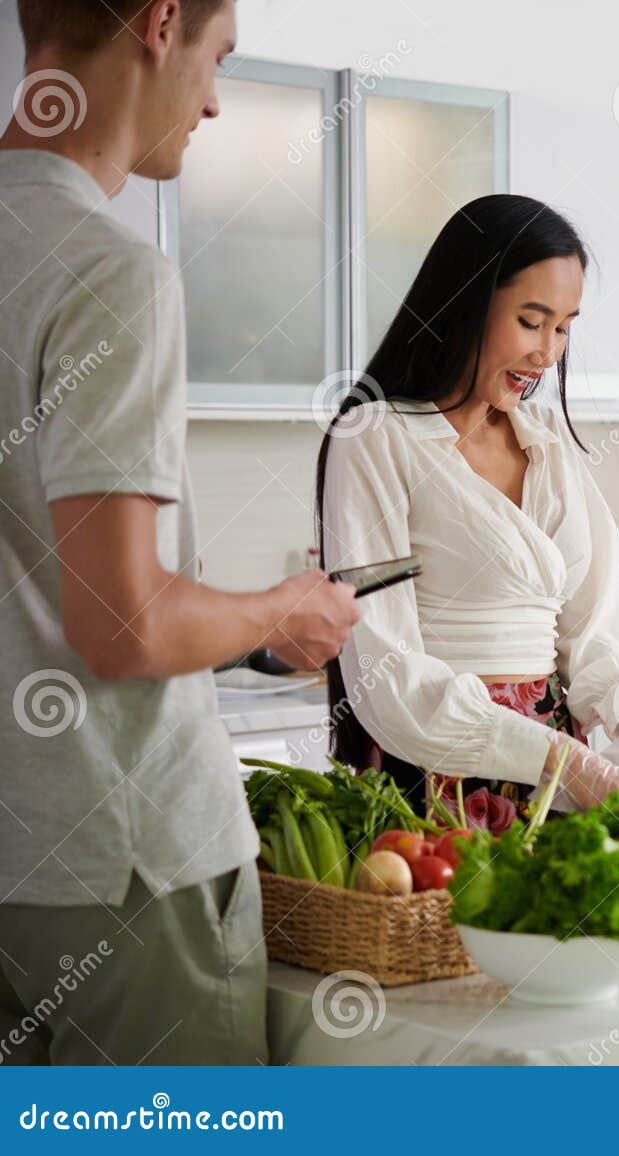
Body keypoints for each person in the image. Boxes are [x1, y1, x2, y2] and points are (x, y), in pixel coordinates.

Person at [0, 0, 360, 1065]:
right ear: (160, 23)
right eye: (217, 58)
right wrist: (285, 608)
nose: (210, 101)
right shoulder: (110, 270)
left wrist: (240, 628)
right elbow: (123, 624)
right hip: (121, 867)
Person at [317, 195, 619, 826]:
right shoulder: (374, 437)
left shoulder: (547, 444)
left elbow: (600, 614)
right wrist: (569, 762)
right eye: (531, 321)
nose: (549, 353)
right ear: (465, 304)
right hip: (430, 777)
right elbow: (384, 668)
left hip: (555, 777)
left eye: (564, 327)